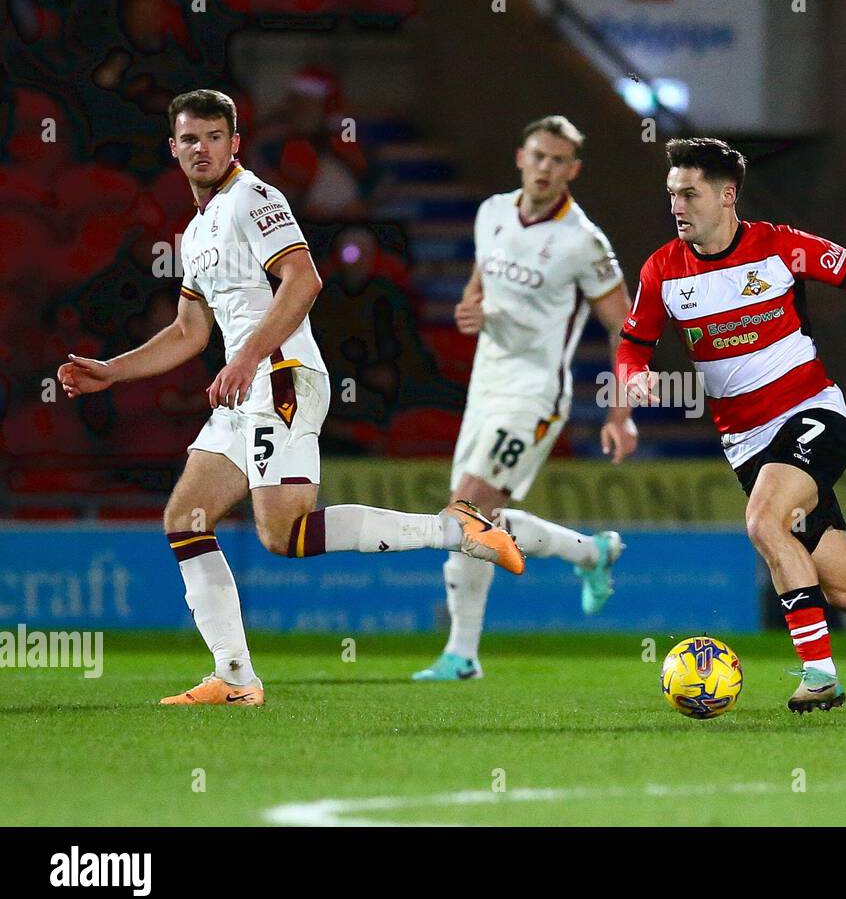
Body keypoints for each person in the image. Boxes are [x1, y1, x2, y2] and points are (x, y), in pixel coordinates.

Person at [56, 89, 522, 706]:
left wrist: (247, 355)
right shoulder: (195, 232)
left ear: (234, 144)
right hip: (242, 390)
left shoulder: (255, 197)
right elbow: (189, 332)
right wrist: (111, 371)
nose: (202, 148)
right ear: (173, 148)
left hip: (280, 378)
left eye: (214, 137)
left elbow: (305, 279)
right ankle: (235, 678)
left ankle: (452, 527)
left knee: (284, 535)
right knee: (185, 520)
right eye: (190, 138)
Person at [618, 137, 846, 720]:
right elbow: (633, 344)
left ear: (727, 195)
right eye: (672, 195)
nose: (677, 206)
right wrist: (633, 375)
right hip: (745, 443)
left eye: (689, 194)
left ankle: (820, 675)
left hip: (813, 414)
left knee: (764, 521)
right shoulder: (662, 270)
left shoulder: (780, 248)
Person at [412, 116, 638, 682]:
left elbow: (625, 326)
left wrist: (620, 413)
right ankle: (592, 553)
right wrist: (471, 307)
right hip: (486, 387)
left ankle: (462, 654)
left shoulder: (583, 242)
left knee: (467, 505)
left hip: (534, 395)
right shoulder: (491, 212)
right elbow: (480, 280)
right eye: (538, 156)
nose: (545, 169)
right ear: (521, 157)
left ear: (573, 170)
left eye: (558, 161)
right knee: (477, 517)